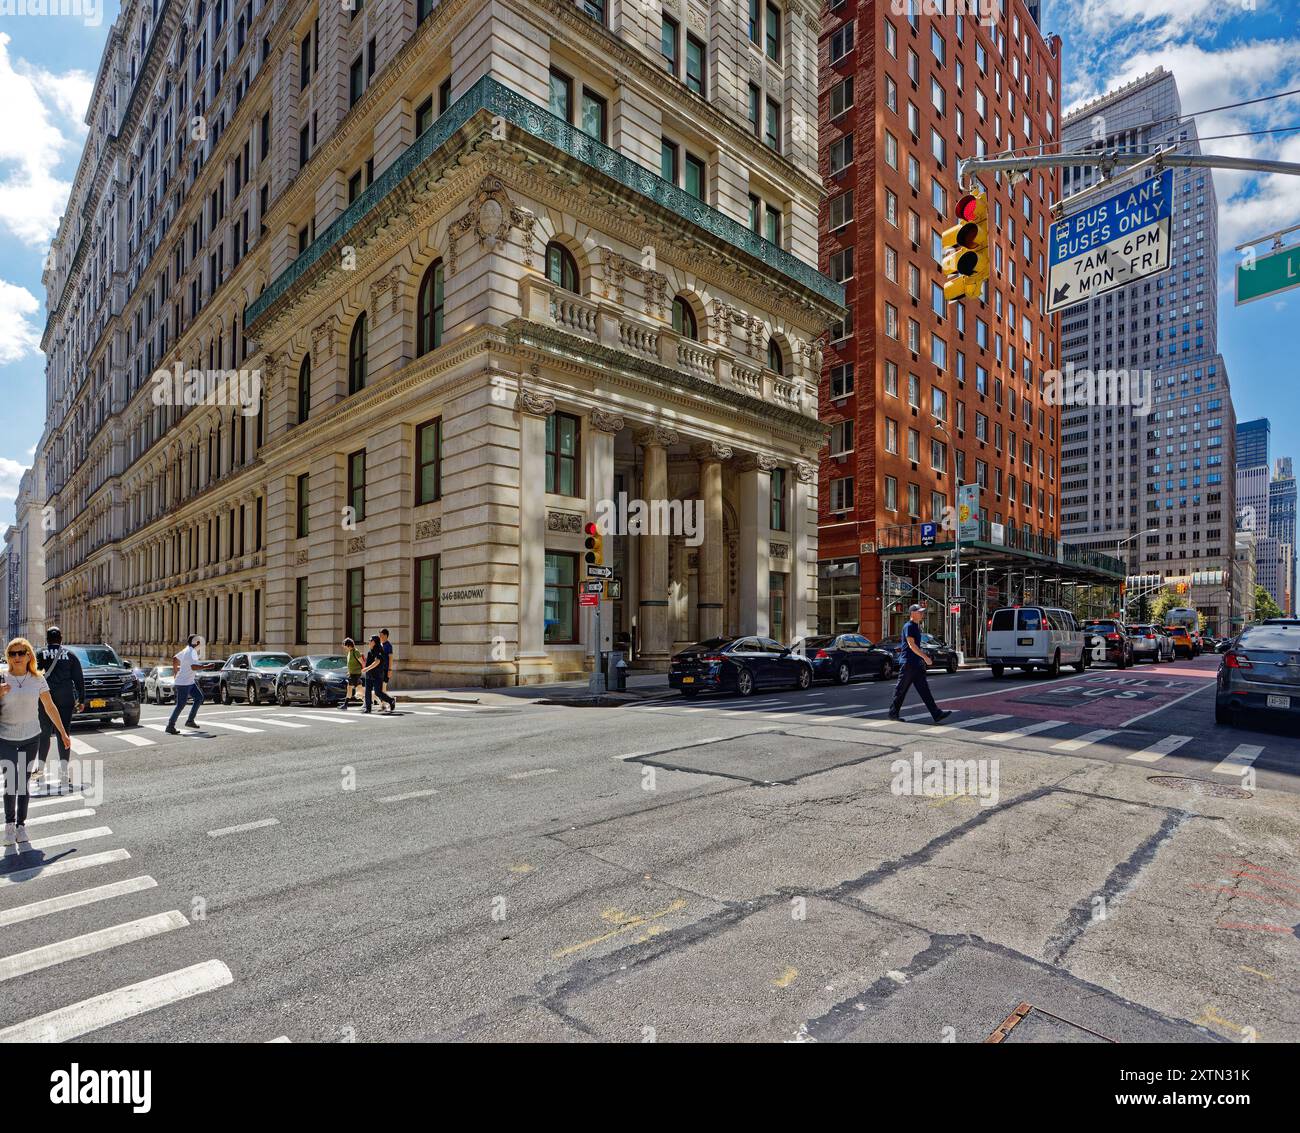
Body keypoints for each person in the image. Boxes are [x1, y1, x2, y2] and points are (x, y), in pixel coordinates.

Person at [1, 637, 72, 846]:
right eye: (12, 654)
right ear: (8, 657)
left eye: (21, 653)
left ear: (28, 655)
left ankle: (21, 826)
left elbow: (50, 707)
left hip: (31, 738)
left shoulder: (37, 679)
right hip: (5, 737)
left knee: (23, 782)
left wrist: (63, 732)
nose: (17, 657)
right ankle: (9, 825)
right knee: (11, 781)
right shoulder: (2, 677)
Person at [35, 626, 84, 794]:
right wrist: (82, 699)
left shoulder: (40, 654)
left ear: (47, 639)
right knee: (64, 735)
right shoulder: (70, 655)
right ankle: (64, 774)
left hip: (44, 699)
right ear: (61, 639)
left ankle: (40, 773)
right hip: (65, 699)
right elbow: (79, 678)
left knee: (44, 735)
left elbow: (33, 675)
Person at [888, 604, 952, 724]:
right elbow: (911, 645)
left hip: (916, 664)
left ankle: (936, 714)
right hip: (908, 664)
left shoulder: (916, 627)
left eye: (922, 612)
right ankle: (893, 713)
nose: (922, 614)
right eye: (919, 612)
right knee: (901, 690)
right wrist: (925, 657)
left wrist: (921, 660)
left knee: (924, 690)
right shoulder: (909, 626)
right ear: (912, 613)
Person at [166, 635, 205, 735]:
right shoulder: (191, 652)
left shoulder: (186, 650)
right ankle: (170, 726)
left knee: (199, 697)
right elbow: (193, 667)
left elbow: (175, 659)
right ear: (195, 643)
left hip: (189, 682)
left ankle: (190, 721)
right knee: (181, 705)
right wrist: (207, 666)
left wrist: (175, 672)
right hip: (184, 683)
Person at [361, 635, 395, 714]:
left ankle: (391, 700)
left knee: (378, 692)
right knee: (367, 691)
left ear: (374, 642)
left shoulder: (379, 650)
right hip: (369, 674)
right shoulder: (370, 651)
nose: (369, 642)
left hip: (377, 675)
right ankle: (368, 708)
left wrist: (367, 668)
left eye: (370, 640)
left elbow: (377, 661)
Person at [339, 637, 364, 710]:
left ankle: (346, 705)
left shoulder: (355, 652)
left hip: (356, 674)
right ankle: (367, 701)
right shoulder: (350, 652)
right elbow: (350, 663)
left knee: (354, 689)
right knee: (357, 690)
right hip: (352, 674)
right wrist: (349, 671)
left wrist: (363, 670)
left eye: (345, 646)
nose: (344, 648)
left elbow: (362, 662)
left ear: (349, 645)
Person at [379, 628, 394, 699]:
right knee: (380, 688)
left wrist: (390, 670)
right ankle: (387, 701)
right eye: (380, 635)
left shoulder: (388, 646)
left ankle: (385, 703)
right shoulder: (380, 644)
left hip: (386, 669)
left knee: (383, 687)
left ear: (385, 635)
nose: (380, 637)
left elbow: (391, 658)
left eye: (381, 635)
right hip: (379, 669)